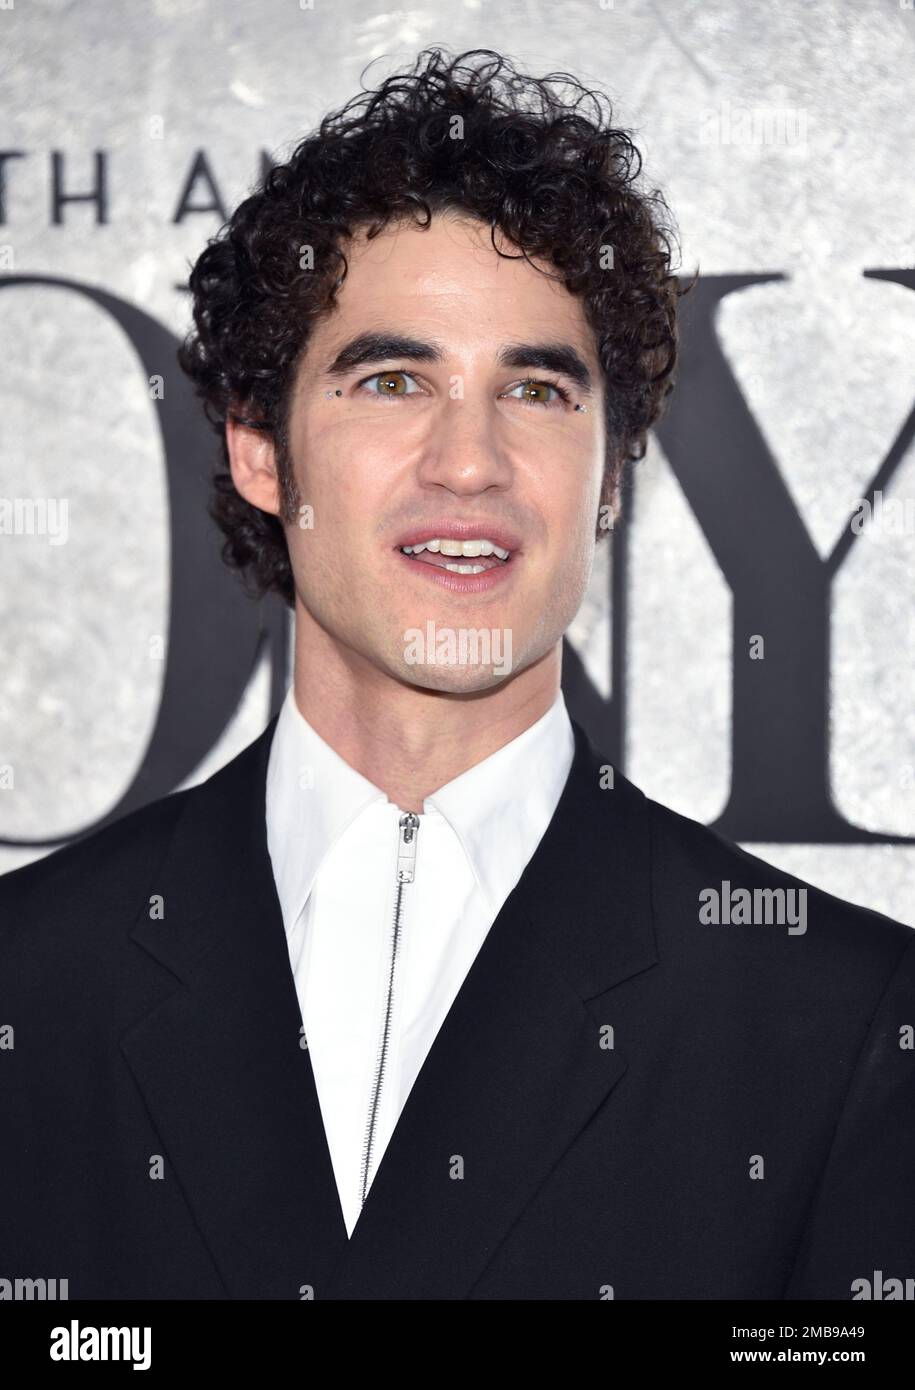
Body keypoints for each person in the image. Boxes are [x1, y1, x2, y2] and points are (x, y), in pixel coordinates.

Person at [1, 47, 913, 1302]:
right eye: (393, 379)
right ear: (263, 450)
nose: (470, 461)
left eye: (535, 389)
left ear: (609, 474)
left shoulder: (843, 1016)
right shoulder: (31, 980)